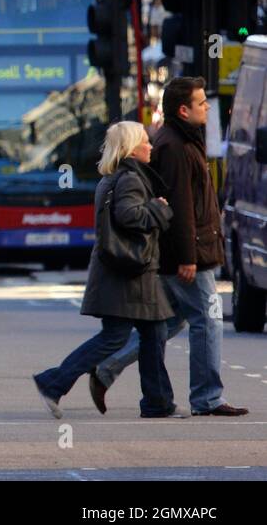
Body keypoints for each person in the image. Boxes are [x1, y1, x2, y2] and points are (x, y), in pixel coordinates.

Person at [89, 78, 248, 417]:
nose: (207, 107)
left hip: (183, 250)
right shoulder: (175, 146)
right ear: (183, 109)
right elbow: (180, 205)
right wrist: (188, 257)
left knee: (167, 322)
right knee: (208, 320)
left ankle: (107, 369)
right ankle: (207, 398)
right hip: (188, 254)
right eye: (201, 102)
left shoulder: (183, 139)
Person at [32, 121, 177, 418]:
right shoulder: (130, 179)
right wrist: (160, 208)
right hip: (128, 272)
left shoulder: (114, 177)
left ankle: (158, 402)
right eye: (145, 142)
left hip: (125, 270)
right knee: (115, 337)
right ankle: (53, 382)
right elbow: (129, 216)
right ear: (130, 148)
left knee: (154, 332)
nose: (150, 146)